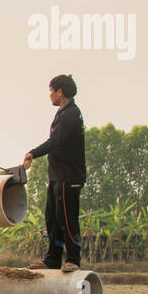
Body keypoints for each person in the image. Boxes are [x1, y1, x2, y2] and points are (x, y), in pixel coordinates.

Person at [22, 74, 86, 272]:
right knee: (52, 218)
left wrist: (33, 153)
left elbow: (55, 142)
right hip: (57, 175)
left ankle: (73, 259)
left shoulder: (71, 115)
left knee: (67, 218)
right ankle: (53, 258)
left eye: (51, 90)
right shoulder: (62, 113)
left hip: (69, 176)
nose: (50, 94)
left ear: (60, 92)